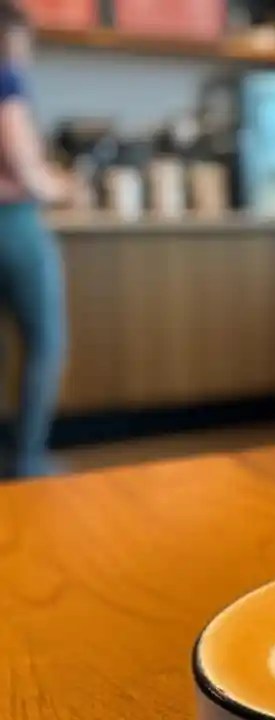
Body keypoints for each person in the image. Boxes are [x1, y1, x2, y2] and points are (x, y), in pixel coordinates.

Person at [0, 1, 67, 479]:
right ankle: (27, 459)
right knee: (46, 342)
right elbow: (24, 165)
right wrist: (60, 187)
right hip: (14, 225)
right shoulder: (8, 81)